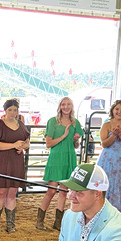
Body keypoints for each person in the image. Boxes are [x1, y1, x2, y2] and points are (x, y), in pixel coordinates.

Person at [37, 96, 82, 231]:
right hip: (56, 158)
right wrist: (64, 135)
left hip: (69, 158)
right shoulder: (53, 122)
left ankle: (58, 222)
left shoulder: (75, 123)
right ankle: (40, 220)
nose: (66, 107)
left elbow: (75, 145)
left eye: (68, 104)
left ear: (72, 106)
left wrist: (75, 140)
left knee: (63, 191)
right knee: (51, 190)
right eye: (63, 104)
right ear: (60, 106)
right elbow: (48, 143)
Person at [0, 99, 30, 233]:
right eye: (10, 110)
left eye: (15, 110)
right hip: (1, 160)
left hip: (16, 161)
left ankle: (11, 224)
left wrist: (23, 146)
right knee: (0, 192)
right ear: (5, 110)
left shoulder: (21, 124)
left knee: (12, 192)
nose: (13, 112)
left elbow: (27, 141)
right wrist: (13, 145)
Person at [96, 100, 121, 221]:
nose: (119, 111)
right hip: (108, 159)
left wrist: (120, 135)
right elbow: (104, 144)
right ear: (112, 110)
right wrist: (113, 135)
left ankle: (120, 217)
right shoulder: (106, 125)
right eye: (117, 109)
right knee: (107, 185)